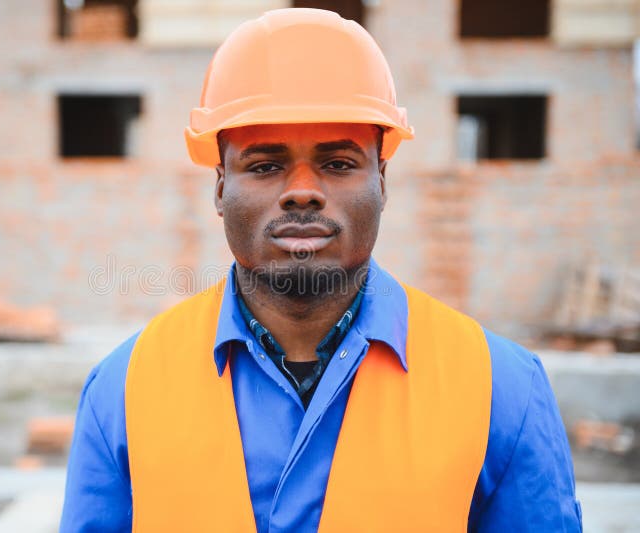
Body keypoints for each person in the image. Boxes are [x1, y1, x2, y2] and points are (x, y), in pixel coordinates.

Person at [60, 8, 582, 532]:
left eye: (337, 164)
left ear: (382, 181)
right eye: (265, 165)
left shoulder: (500, 389)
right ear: (220, 188)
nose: (302, 191)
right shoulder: (124, 389)